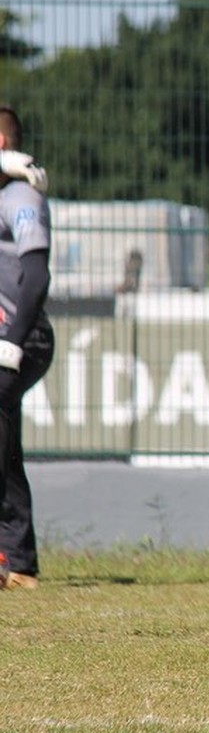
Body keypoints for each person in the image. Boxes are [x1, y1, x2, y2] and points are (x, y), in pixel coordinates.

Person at [0, 106, 55, 590]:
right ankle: (18, 562)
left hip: (22, 338)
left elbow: (36, 275)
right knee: (5, 439)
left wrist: (12, 344)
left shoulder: (21, 197)